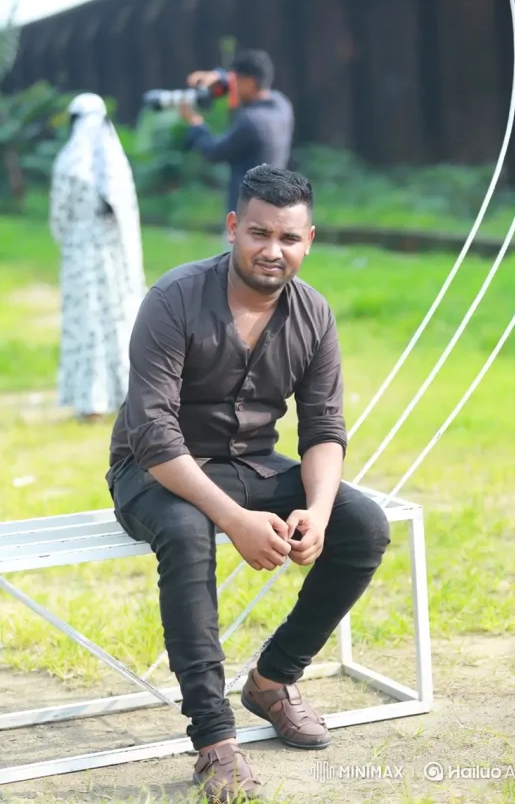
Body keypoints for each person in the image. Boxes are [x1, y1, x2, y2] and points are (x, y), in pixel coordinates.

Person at [105, 164, 390, 802]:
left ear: (308, 239)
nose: (272, 250)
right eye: (258, 233)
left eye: (288, 239)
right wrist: (233, 520)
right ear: (234, 227)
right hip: (155, 471)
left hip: (254, 464)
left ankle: (272, 681)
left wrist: (316, 510)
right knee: (185, 530)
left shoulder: (313, 314)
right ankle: (214, 740)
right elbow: (153, 437)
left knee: (362, 525)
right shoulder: (174, 299)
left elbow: (322, 428)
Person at [49, 92, 147, 422]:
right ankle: (125, 396)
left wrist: (71, 237)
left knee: (86, 322)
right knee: (118, 320)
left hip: (80, 255)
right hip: (116, 256)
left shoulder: (69, 163)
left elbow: (58, 216)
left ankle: (91, 403)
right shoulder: (116, 165)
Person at [182, 49, 294, 219]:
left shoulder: (250, 121)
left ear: (249, 81)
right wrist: (218, 77)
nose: (234, 86)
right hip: (273, 206)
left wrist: (195, 123)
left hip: (245, 213)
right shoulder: (282, 105)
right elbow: (243, 85)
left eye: (237, 80)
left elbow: (214, 152)